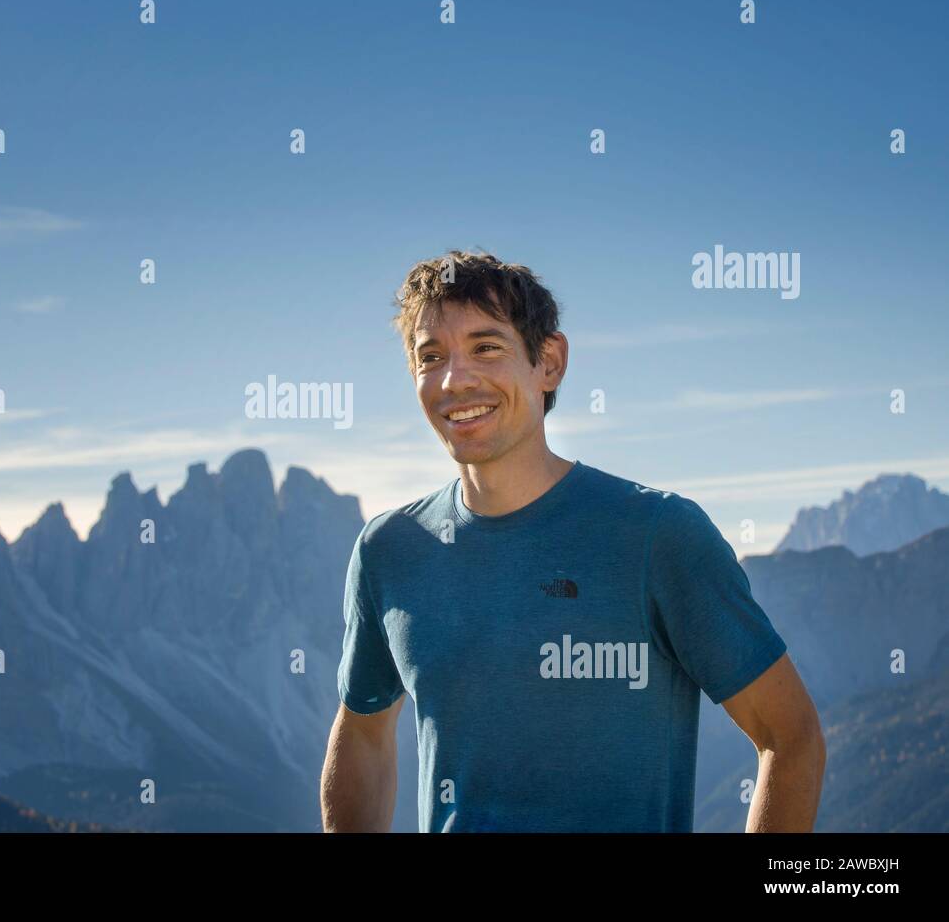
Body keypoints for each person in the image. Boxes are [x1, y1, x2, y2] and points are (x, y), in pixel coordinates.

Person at [319, 250, 826, 832]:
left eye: (487, 347)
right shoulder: (390, 549)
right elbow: (362, 733)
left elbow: (791, 737)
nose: (455, 379)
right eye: (431, 357)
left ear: (549, 362)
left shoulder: (659, 536)